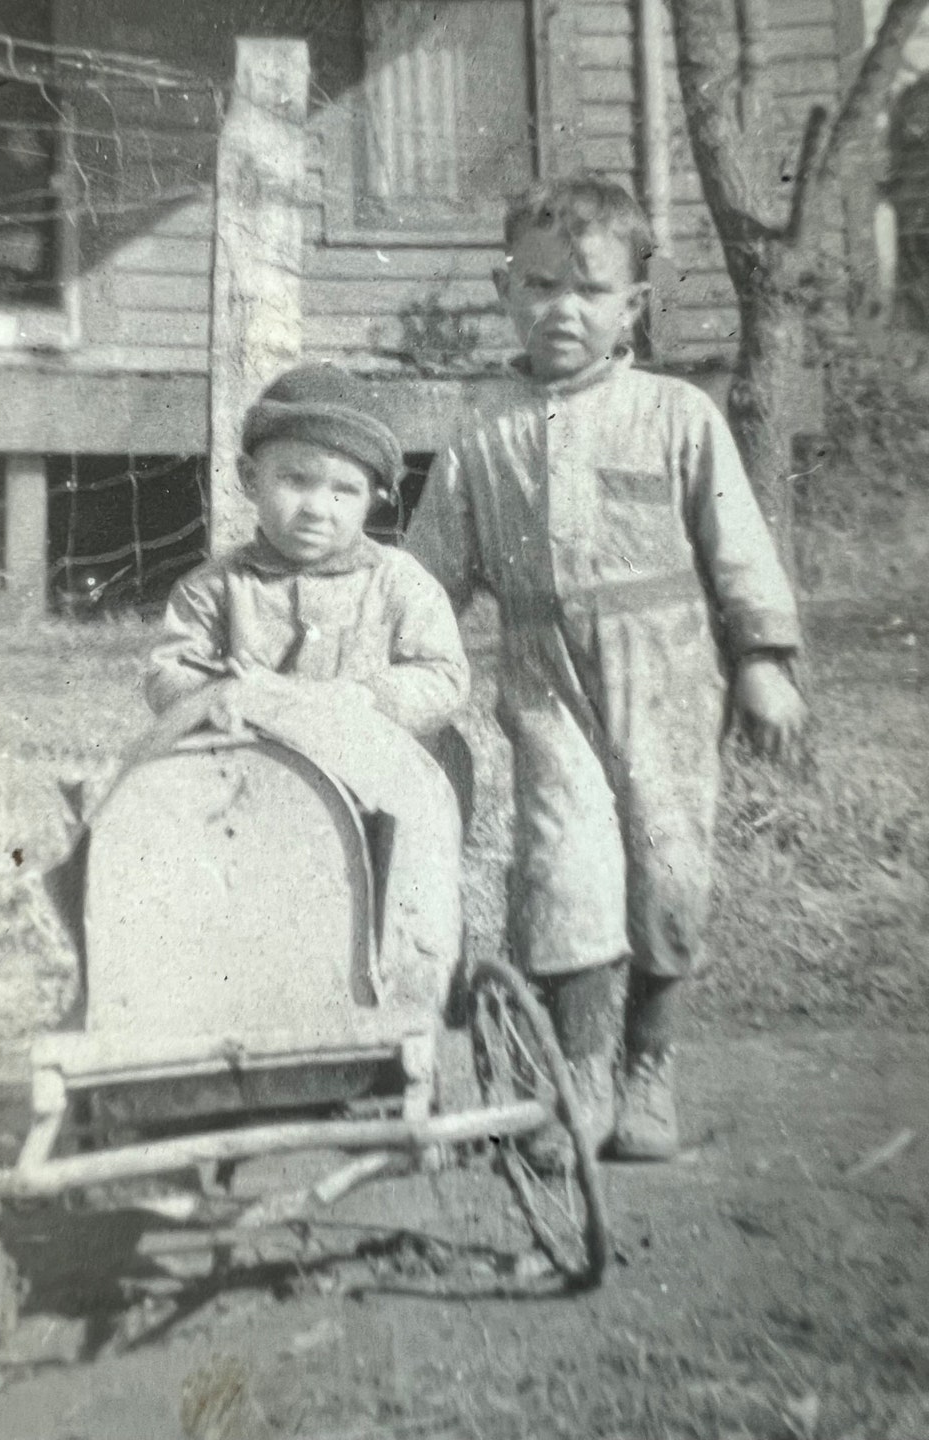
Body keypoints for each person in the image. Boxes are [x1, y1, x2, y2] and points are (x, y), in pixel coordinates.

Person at [405, 173, 807, 1160]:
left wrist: (762, 656)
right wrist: (394, 666)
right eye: (540, 286)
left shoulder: (675, 415)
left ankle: (648, 1065)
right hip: (546, 686)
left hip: (666, 674)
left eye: (588, 290)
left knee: (670, 872)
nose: (562, 310)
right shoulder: (480, 437)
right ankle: (577, 1078)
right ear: (507, 290)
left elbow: (738, 542)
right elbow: (426, 580)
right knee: (566, 869)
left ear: (634, 303)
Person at [143, 362, 471, 1018]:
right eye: (295, 480)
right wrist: (217, 698)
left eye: (345, 491)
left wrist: (371, 697)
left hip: (379, 784)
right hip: (252, 781)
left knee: (401, 882)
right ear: (248, 479)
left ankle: (411, 995)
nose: (318, 507)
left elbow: (444, 676)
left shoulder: (399, 582)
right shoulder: (215, 587)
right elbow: (166, 671)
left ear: (375, 499)